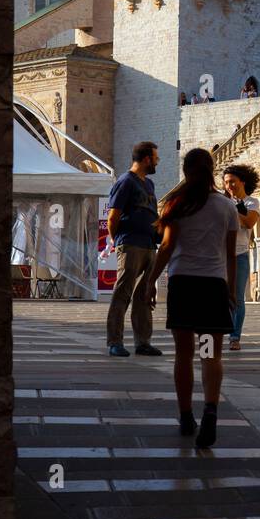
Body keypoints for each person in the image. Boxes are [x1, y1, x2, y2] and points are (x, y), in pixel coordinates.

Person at [147, 148, 237, 448]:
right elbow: (230, 255)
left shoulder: (178, 204)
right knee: (210, 353)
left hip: (184, 285)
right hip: (213, 287)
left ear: (185, 172)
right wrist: (232, 291)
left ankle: (186, 416)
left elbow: (167, 247)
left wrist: (149, 282)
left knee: (183, 354)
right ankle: (210, 411)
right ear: (212, 171)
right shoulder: (226, 207)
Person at [105, 142, 163, 358]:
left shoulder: (149, 185)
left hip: (149, 245)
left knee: (145, 295)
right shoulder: (125, 182)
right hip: (130, 244)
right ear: (146, 158)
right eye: (155, 157)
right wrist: (117, 240)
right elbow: (113, 216)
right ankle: (115, 341)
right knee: (123, 292)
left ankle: (143, 342)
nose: (157, 161)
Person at [221, 163, 260, 350]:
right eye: (227, 182)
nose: (230, 186)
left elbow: (249, 222)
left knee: (237, 296)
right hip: (220, 254)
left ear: (242, 181)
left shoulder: (252, 203)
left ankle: (235, 337)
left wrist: (233, 208)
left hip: (240, 253)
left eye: (233, 182)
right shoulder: (222, 201)